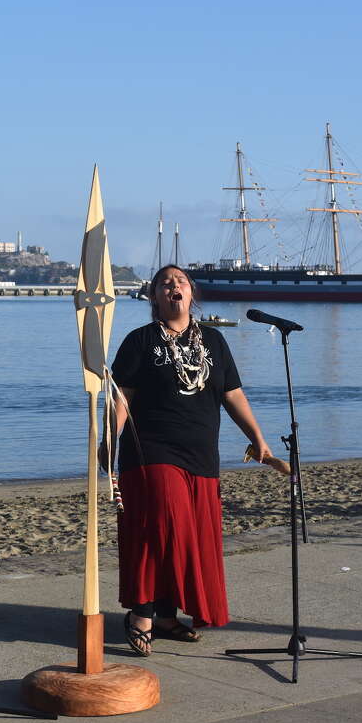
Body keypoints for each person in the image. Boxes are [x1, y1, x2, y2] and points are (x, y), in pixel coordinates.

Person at [106, 264, 271, 657]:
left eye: (179, 281)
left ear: (191, 293)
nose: (173, 287)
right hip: (151, 451)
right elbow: (121, 397)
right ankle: (141, 614)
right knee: (162, 526)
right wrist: (107, 440)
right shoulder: (140, 340)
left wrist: (257, 438)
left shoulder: (213, 341)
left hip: (200, 454)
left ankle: (166, 615)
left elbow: (232, 395)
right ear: (154, 298)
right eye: (165, 283)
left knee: (187, 537)